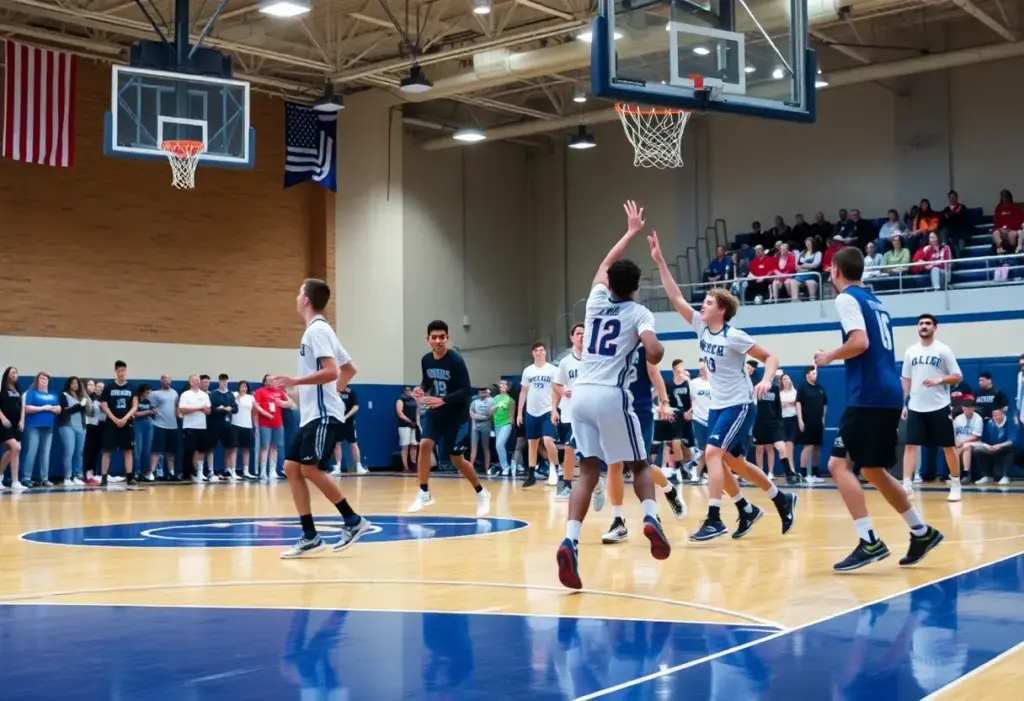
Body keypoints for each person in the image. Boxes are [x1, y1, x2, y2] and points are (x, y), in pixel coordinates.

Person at [652, 236, 798, 543]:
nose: (701, 306)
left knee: (712, 454)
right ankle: (768, 502)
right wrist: (661, 262)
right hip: (720, 404)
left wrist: (766, 379)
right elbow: (677, 299)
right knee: (733, 462)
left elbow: (771, 357)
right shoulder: (702, 327)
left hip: (741, 403)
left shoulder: (734, 336)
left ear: (721, 309)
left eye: (707, 303)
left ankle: (715, 518)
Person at [556, 200, 670, 590]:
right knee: (639, 463)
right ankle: (651, 518)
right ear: (636, 287)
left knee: (588, 470)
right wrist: (653, 347)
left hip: (580, 395)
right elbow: (653, 352)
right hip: (611, 395)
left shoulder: (595, 301)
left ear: (609, 284)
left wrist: (630, 231)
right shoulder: (639, 314)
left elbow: (605, 264)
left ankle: (570, 539)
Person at [814, 247, 943, 572]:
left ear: (835, 271)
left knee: (837, 465)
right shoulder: (877, 301)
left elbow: (860, 342)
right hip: (888, 392)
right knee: (872, 469)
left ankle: (868, 540)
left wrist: (830, 355)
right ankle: (921, 531)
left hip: (869, 394)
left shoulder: (847, 299)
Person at [268, 278, 372, 558]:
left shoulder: (316, 332)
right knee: (292, 468)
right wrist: (330, 393)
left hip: (323, 415)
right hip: (313, 414)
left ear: (306, 299)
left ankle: (353, 521)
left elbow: (333, 371)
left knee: (309, 468)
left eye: (298, 291)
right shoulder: (322, 330)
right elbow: (350, 369)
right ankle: (310, 535)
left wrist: (296, 381)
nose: (296, 296)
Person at [599, 352, 687, 545]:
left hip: (640, 412)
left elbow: (654, 374)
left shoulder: (641, 345)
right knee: (615, 464)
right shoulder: (607, 348)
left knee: (642, 465)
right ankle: (618, 522)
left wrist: (664, 402)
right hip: (613, 411)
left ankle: (668, 489)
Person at [408, 319, 491, 517]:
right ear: (428, 340)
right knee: (425, 443)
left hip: (457, 416)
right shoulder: (426, 360)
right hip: (436, 413)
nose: (438, 341)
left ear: (448, 338)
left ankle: (482, 492)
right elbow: (427, 382)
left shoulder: (456, 361)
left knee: (456, 459)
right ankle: (424, 492)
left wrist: (443, 399)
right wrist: (421, 389)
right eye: (434, 337)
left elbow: (465, 390)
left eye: (442, 337)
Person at [900, 314, 963, 501]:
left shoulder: (943, 350)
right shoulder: (910, 351)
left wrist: (940, 379)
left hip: (939, 406)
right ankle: (906, 485)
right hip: (916, 406)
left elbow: (957, 376)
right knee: (910, 445)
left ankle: (956, 483)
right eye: (921, 323)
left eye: (928, 323)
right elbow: (906, 378)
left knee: (948, 447)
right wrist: (905, 402)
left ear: (935, 327)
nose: (924, 326)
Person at [517, 343, 561, 488]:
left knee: (548, 440)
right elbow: (523, 391)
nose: (539, 352)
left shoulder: (553, 370)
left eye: (541, 350)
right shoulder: (528, 371)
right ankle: (531, 475)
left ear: (545, 352)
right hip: (531, 411)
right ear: (532, 353)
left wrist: (555, 409)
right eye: (536, 350)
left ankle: (555, 468)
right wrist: (519, 413)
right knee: (532, 444)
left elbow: (557, 390)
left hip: (548, 410)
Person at [552, 323, 584, 500]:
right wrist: (562, 393)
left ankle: (594, 484)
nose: (582, 336)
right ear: (572, 337)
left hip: (591, 412)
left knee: (588, 450)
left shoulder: (594, 359)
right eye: (579, 333)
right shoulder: (565, 362)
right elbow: (555, 385)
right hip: (570, 413)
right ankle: (568, 484)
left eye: (585, 333)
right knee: (570, 447)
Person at [750, 363, 794, 482]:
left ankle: (788, 474)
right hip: (759, 423)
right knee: (759, 449)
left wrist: (779, 421)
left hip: (774, 424)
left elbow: (777, 407)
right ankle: (760, 474)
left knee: (781, 447)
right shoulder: (757, 387)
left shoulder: (775, 388)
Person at [100, 360, 137, 487]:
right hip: (111, 423)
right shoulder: (109, 386)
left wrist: (125, 418)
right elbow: (104, 405)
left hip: (127, 423)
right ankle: (104, 478)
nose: (122, 373)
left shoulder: (132, 387)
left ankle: (130, 477)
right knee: (107, 450)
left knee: (128, 451)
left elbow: (134, 406)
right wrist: (115, 419)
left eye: (124, 370)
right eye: (119, 370)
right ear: (116, 371)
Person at [796, 366, 827, 484]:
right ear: (807, 375)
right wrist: (800, 420)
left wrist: (823, 419)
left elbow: (824, 404)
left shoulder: (820, 388)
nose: (815, 375)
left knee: (817, 448)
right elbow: (798, 404)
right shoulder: (803, 388)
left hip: (818, 422)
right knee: (808, 447)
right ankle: (804, 474)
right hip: (807, 421)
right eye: (813, 373)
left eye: (816, 373)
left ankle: (815, 473)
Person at [666, 359, 694, 481]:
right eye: (678, 368)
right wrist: (665, 409)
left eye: (682, 368)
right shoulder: (668, 384)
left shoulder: (688, 383)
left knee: (688, 449)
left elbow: (695, 399)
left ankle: (686, 465)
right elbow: (663, 400)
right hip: (675, 416)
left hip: (687, 416)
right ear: (673, 370)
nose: (681, 370)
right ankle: (679, 470)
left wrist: (691, 411)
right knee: (675, 442)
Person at [688, 360, 712, 484]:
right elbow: (692, 400)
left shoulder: (716, 382)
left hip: (714, 418)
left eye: (703, 368)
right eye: (700, 369)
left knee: (712, 448)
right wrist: (690, 411)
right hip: (699, 419)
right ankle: (695, 472)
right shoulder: (694, 383)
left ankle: (707, 472)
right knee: (701, 448)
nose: (701, 371)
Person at [395, 387, 420, 472]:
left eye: (410, 390)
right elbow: (400, 414)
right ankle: (405, 466)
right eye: (406, 390)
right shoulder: (400, 400)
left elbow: (417, 412)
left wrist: (416, 422)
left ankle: (414, 464)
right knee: (405, 445)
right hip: (404, 425)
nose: (408, 392)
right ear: (404, 392)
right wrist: (409, 421)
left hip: (413, 425)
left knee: (414, 444)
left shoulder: (414, 400)